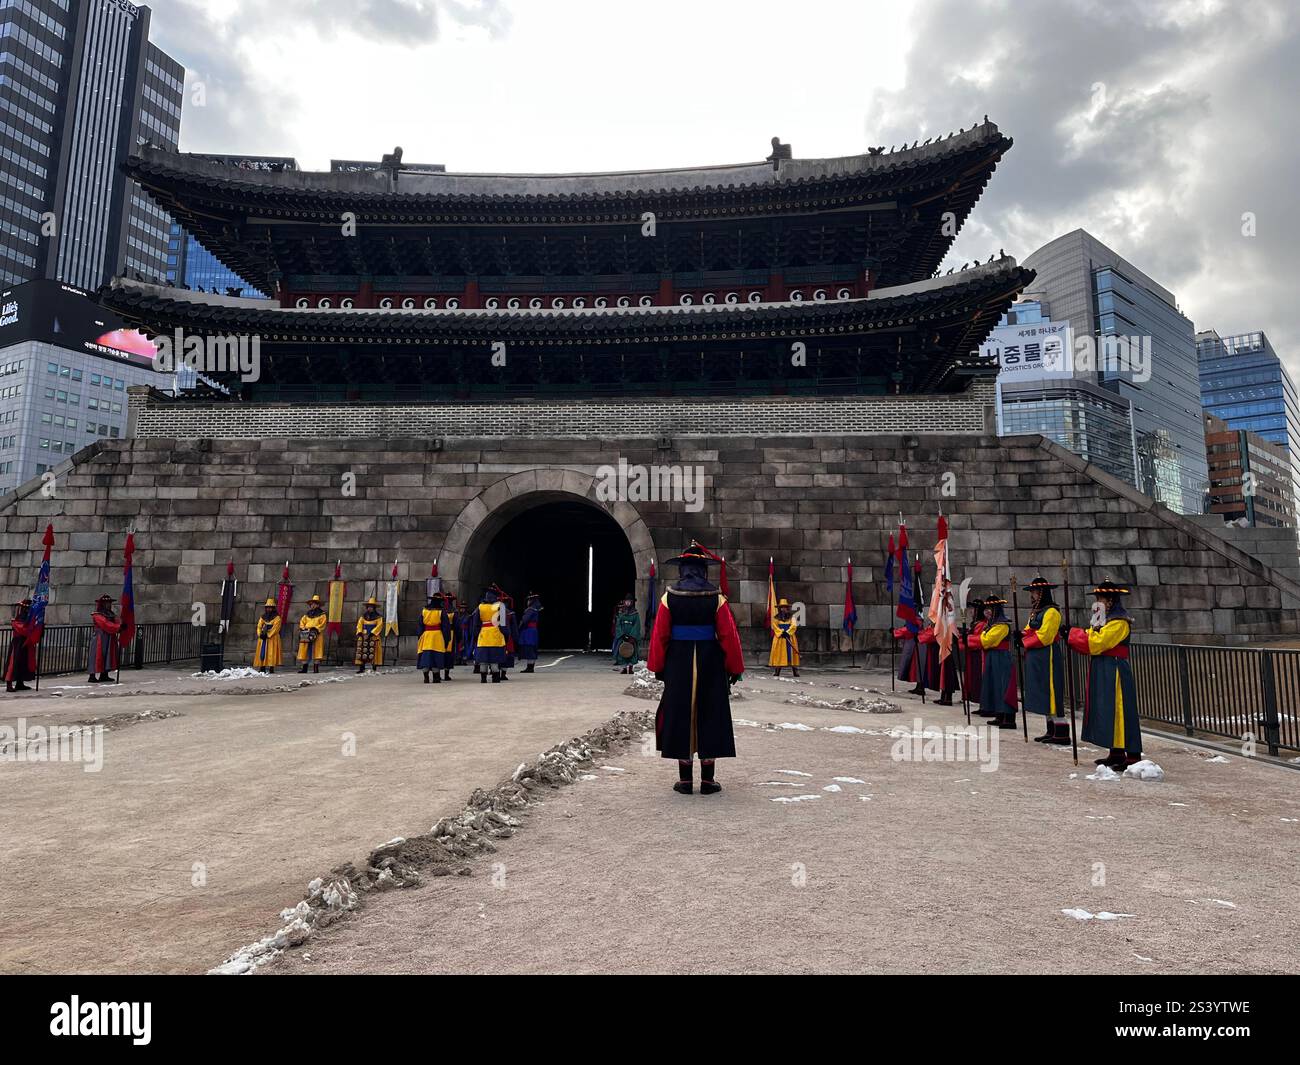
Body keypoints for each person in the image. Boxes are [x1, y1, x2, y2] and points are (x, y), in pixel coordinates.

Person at [646, 542, 745, 795]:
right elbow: (728, 635)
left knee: (680, 713)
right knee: (711, 712)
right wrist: (735, 666)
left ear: (683, 571)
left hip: (678, 661)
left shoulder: (669, 598)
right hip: (710, 659)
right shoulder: (717, 598)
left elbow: (660, 636)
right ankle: (709, 781)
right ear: (703, 571)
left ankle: (686, 781)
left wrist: (657, 665)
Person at [1069, 578, 1142, 770]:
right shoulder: (1101, 617)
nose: (1098, 601)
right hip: (1102, 667)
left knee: (1120, 710)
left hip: (1114, 669)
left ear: (1110, 600)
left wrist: (1072, 634)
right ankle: (1116, 752)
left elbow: (1097, 642)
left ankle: (1132, 754)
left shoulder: (1119, 622)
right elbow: (1091, 634)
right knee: (1108, 709)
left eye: (1101, 597)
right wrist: (1073, 635)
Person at [1016, 576, 1069, 745]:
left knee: (1052, 690)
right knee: (1044, 692)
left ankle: (1061, 732)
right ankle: (1050, 729)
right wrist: (1021, 635)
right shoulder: (1036, 612)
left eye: (1035, 592)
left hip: (1048, 654)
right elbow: (1029, 629)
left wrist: (1024, 642)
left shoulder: (1052, 612)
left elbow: (1045, 635)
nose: (1032, 595)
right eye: (1032, 592)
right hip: (1037, 656)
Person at [976, 595, 1017, 728]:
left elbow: (987, 640)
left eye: (991, 608)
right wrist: (984, 635)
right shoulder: (991, 625)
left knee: (1004, 686)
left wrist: (983, 635)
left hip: (1002, 658)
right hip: (993, 657)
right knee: (995, 686)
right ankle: (999, 714)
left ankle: (1009, 718)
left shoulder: (1002, 625)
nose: (988, 611)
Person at [472, 586, 507, 683]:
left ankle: (483, 678)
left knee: (483, 658)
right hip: (496, 634)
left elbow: (475, 624)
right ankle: (495, 678)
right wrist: (506, 635)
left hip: (483, 634)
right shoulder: (501, 606)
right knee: (494, 659)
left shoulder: (480, 607)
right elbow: (503, 625)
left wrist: (475, 636)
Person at [417, 592, 452, 683]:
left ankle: (426, 677)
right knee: (436, 656)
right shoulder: (441, 612)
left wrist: (420, 637)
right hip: (437, 636)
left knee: (426, 656)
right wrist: (446, 639)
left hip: (426, 635)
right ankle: (436, 677)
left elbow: (420, 625)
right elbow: (445, 627)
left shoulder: (424, 611)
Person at [87, 594, 121, 683]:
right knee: (96, 655)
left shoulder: (111, 614)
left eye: (109, 603)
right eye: (106, 603)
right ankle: (92, 676)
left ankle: (104, 675)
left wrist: (121, 625)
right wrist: (118, 627)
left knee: (108, 655)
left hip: (109, 638)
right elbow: (105, 624)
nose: (109, 605)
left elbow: (116, 621)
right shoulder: (97, 615)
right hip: (100, 638)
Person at [4, 599, 36, 693]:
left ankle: (19, 683)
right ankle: (9, 684)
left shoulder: (28, 616)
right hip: (18, 642)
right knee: (13, 663)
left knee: (23, 662)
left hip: (25, 642)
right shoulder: (19, 617)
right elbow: (23, 628)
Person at [961, 596, 985, 709]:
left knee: (976, 676)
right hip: (971, 653)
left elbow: (978, 639)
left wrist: (967, 639)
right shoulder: (975, 623)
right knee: (970, 675)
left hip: (978, 654)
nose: (971, 611)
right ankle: (970, 695)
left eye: (973, 609)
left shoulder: (981, 624)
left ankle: (977, 697)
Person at [297, 594, 328, 674]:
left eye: (314, 604)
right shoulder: (307, 614)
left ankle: (316, 668)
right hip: (306, 633)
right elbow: (302, 622)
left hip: (316, 633)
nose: (312, 605)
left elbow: (322, 624)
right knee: (305, 650)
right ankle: (304, 668)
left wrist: (315, 629)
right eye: (311, 604)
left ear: (318, 605)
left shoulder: (322, 614)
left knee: (316, 650)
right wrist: (303, 628)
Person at [769, 598, 800, 677]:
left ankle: (795, 670)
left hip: (789, 637)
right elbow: (774, 626)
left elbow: (794, 625)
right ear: (779, 608)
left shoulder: (791, 617)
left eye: (785, 607)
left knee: (792, 654)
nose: (783, 609)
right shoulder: (776, 617)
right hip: (780, 637)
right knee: (779, 653)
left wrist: (788, 632)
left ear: (787, 608)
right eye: (782, 607)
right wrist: (780, 632)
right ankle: (777, 670)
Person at [611, 593, 641, 674]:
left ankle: (630, 668)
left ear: (632, 602)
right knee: (622, 651)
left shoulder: (635, 614)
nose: (627, 603)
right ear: (624, 602)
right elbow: (618, 625)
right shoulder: (621, 613)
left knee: (631, 651)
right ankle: (624, 668)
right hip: (623, 635)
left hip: (631, 636)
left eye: (629, 601)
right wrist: (622, 635)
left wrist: (631, 636)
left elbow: (637, 626)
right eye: (626, 601)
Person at [355, 596, 385, 674]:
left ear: (374, 608)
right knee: (361, 651)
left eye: (371, 607)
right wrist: (360, 632)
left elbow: (379, 626)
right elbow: (359, 625)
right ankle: (361, 667)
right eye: (368, 607)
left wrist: (371, 634)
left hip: (373, 636)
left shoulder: (378, 617)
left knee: (374, 652)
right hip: (363, 635)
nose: (369, 608)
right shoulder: (363, 616)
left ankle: (374, 667)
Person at [253, 598, 283, 673]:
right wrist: (260, 634)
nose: (268, 609)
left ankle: (271, 667)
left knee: (271, 652)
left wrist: (268, 634)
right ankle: (262, 666)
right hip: (263, 637)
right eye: (267, 607)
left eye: (270, 607)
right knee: (262, 652)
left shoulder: (277, 618)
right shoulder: (263, 617)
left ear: (273, 608)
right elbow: (259, 626)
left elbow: (276, 628)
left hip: (272, 637)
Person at [495, 587, 519, 681]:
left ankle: (495, 671)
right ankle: (503, 674)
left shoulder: (494, 612)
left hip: (496, 635)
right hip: (507, 637)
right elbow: (514, 628)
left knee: (497, 653)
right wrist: (516, 638)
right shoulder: (511, 613)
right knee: (507, 654)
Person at [518, 592, 543, 673]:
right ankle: (531, 666)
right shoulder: (536, 610)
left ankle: (529, 667)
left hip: (528, 631)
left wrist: (519, 627)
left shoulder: (530, 610)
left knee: (529, 648)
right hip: (533, 631)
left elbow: (525, 620)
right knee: (532, 647)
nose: (527, 602)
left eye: (528, 600)